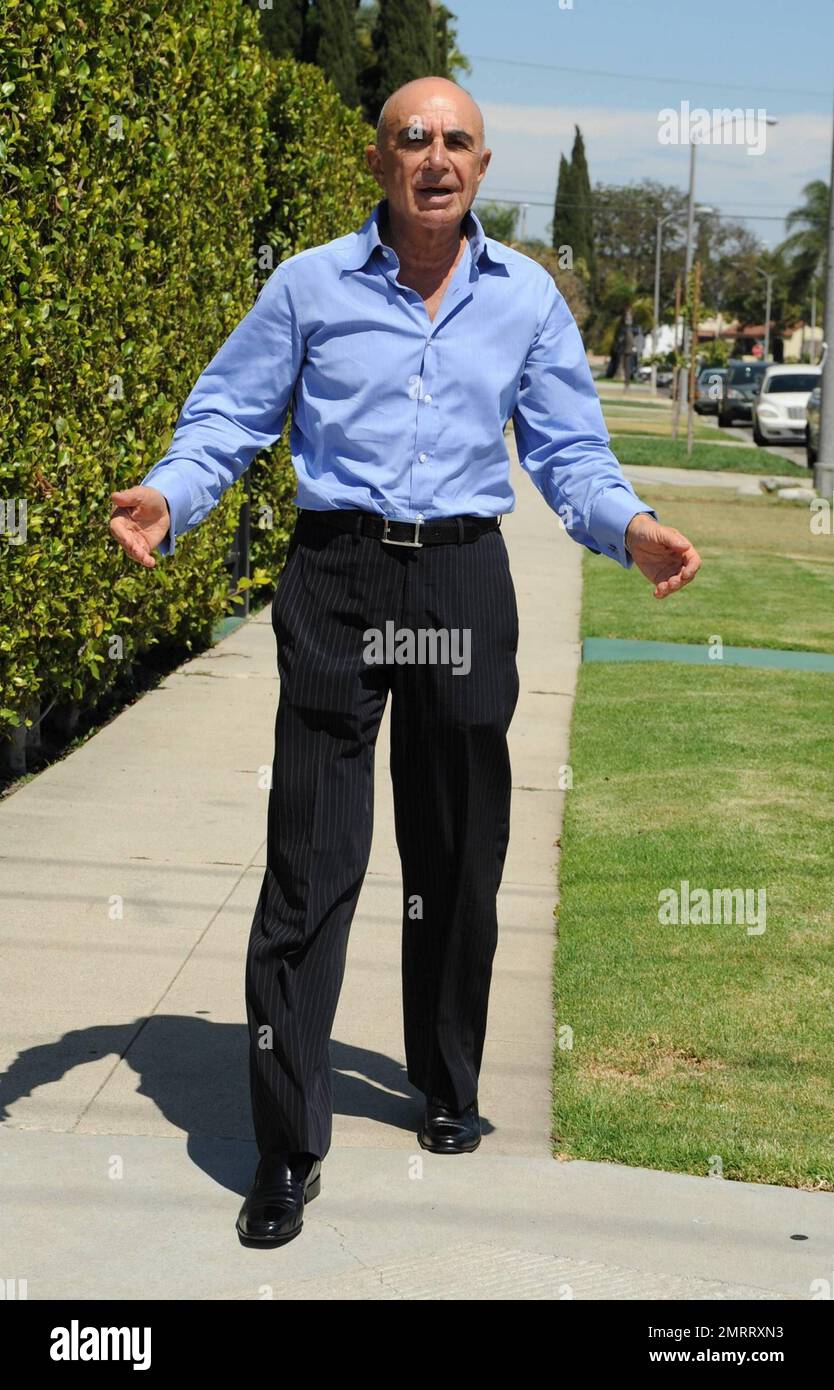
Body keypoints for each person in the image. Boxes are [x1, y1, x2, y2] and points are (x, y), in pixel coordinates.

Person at [109, 76, 701, 1249]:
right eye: (411, 138)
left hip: (463, 579)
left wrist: (628, 528)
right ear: (378, 164)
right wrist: (171, 498)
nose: (434, 155)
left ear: (483, 168)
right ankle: (285, 1143)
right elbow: (230, 415)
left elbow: (571, 449)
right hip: (337, 575)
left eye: (457, 141)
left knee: (458, 844)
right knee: (309, 860)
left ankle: (446, 1080)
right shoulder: (309, 286)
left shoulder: (526, 297)